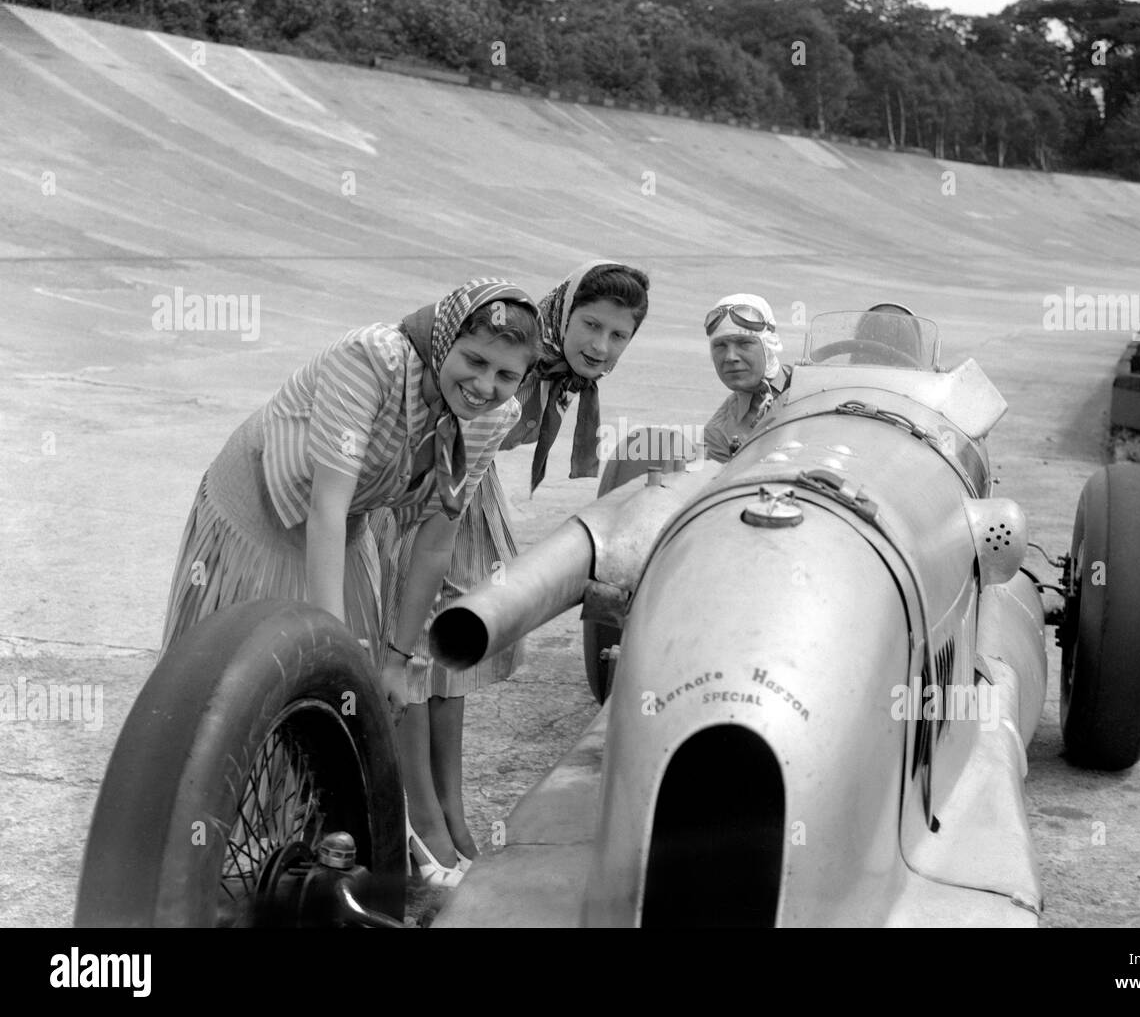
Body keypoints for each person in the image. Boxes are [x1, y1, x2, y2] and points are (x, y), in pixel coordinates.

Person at [157, 277, 543, 888]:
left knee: (355, 702)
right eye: (474, 361)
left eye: (505, 374)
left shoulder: (496, 414)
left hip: (347, 523)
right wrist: (330, 648)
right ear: (445, 343)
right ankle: (196, 847)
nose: (484, 386)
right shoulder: (370, 359)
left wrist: (395, 658)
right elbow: (326, 505)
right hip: (265, 509)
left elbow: (435, 539)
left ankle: (303, 863)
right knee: (249, 683)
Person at [386, 260, 650, 882]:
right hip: (428, 495)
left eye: (619, 336)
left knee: (446, 659)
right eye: (591, 325)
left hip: (469, 490)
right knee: (416, 651)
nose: (601, 346)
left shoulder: (560, 372)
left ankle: (450, 815)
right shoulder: (523, 352)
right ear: (565, 313)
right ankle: (422, 823)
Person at [701, 293, 792, 464]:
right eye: (720, 345)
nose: (730, 357)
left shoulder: (814, 386)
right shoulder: (718, 434)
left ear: (768, 346)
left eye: (744, 343)